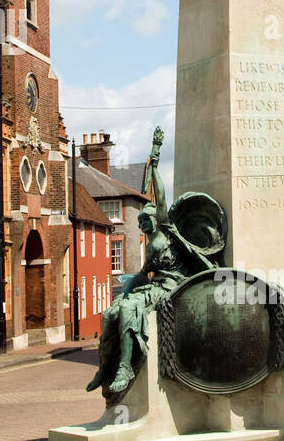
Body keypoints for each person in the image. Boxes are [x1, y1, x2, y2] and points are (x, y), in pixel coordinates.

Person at [86, 128, 221, 399]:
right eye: (140, 221)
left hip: (173, 288)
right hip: (153, 286)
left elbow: (159, 196)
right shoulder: (149, 244)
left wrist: (155, 157)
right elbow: (142, 274)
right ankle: (106, 366)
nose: (141, 222)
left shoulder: (165, 229)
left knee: (130, 310)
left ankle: (125, 367)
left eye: (144, 218)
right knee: (111, 311)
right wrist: (124, 290)